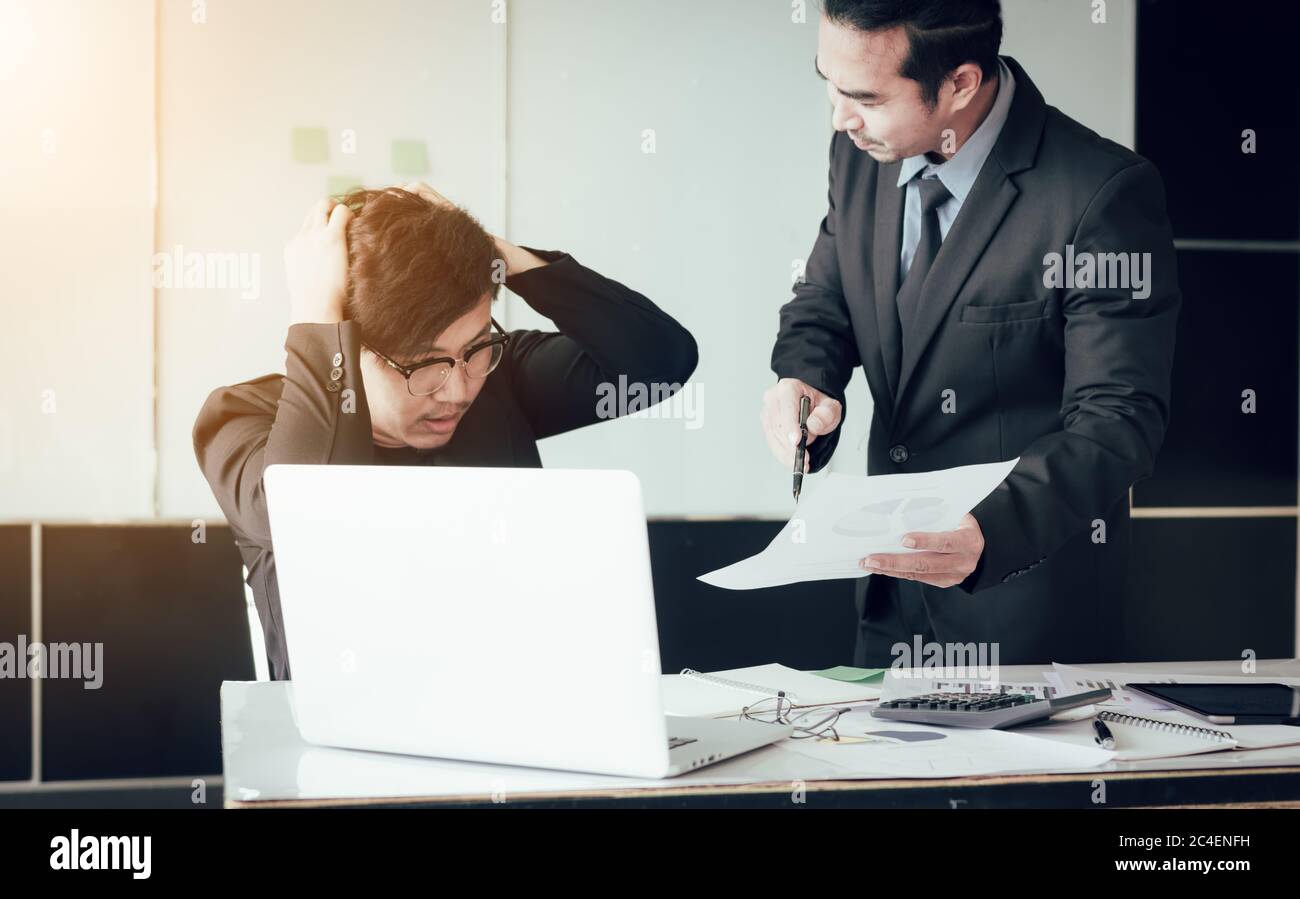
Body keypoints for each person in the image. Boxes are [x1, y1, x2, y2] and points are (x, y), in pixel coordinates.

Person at [762, 0, 1179, 666]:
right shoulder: (860, 152)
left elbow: (1118, 420)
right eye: (829, 86)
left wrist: (992, 531)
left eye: (864, 97)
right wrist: (804, 378)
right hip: (887, 609)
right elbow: (826, 297)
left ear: (958, 83)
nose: (839, 117)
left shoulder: (1100, 194)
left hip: (1026, 617)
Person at [195, 183, 698, 679]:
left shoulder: (499, 380)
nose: (458, 389)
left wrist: (491, 254)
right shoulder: (242, 421)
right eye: (422, 365)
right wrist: (316, 314)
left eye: (477, 346)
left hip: (524, 713)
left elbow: (660, 362)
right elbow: (312, 511)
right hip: (347, 739)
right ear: (347, 347)